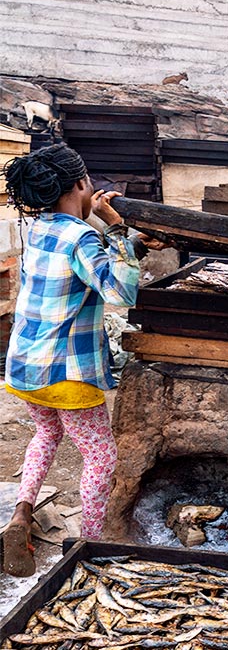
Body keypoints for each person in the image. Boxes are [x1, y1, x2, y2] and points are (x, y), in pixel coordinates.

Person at [1, 143, 159, 577]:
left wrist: (127, 243)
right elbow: (119, 292)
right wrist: (120, 226)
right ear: (80, 184)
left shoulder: (34, 228)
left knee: (46, 434)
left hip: (25, 365)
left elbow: (84, 269)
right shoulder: (84, 236)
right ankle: (90, 541)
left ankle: (20, 514)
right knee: (100, 456)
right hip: (65, 371)